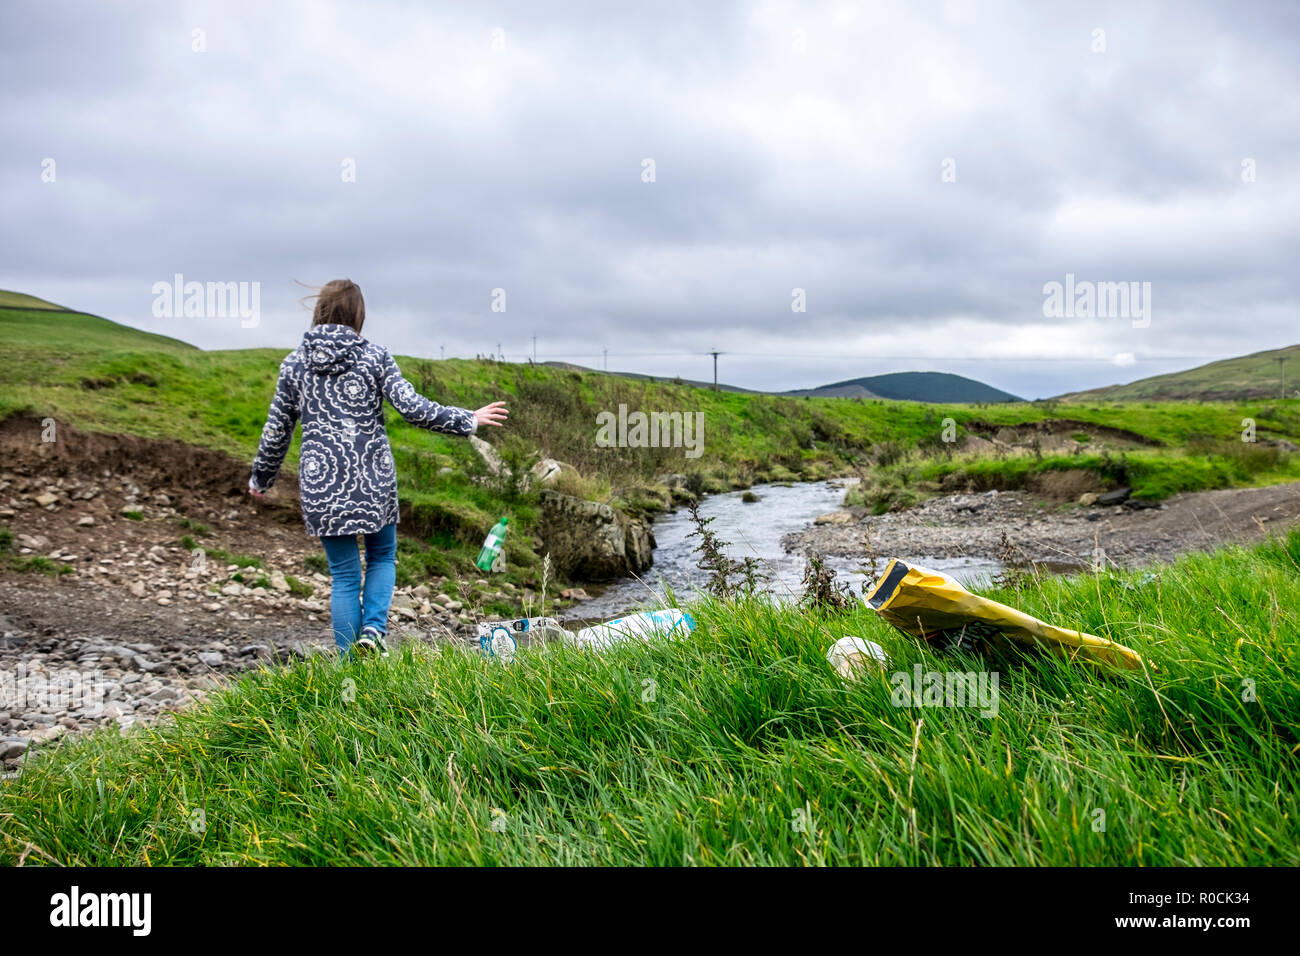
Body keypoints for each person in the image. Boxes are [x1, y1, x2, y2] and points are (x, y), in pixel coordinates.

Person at [248, 279, 508, 657]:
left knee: (344, 575)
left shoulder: (294, 364)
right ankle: (373, 631)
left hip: (322, 486)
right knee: (383, 557)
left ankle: (351, 663)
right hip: (372, 482)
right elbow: (413, 408)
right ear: (358, 315)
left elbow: (277, 430)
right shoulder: (375, 357)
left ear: (319, 311)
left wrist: (262, 478)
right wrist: (467, 419)